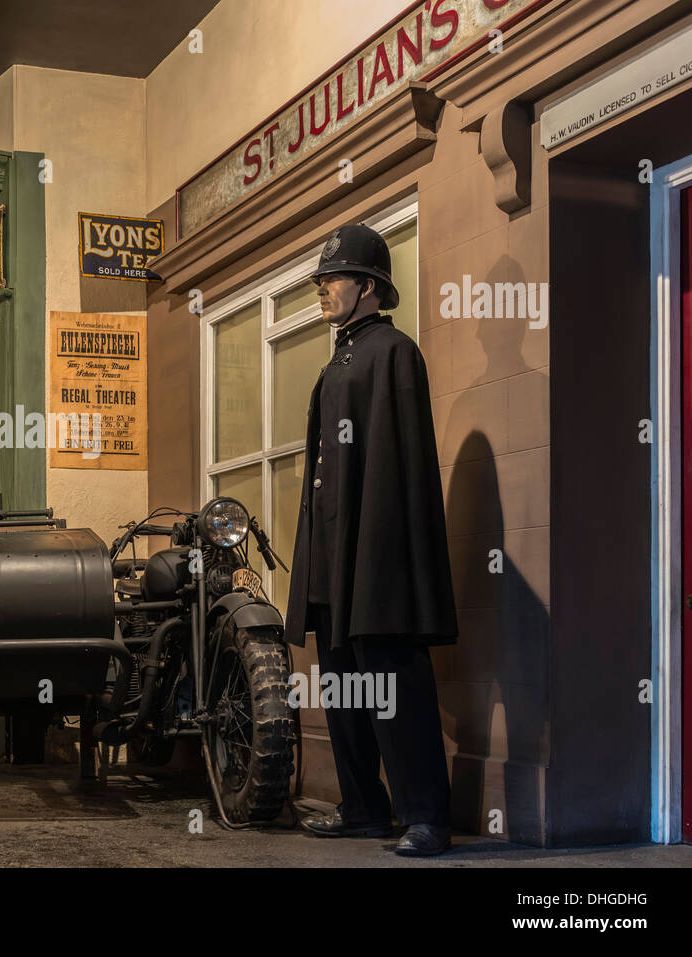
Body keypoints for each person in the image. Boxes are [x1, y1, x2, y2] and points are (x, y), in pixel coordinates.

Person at [285, 223, 458, 856]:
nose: (323, 289)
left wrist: (381, 561)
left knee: (394, 686)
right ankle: (363, 807)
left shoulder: (393, 352)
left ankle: (427, 817)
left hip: (377, 561)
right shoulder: (341, 360)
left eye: (333, 279)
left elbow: (400, 467)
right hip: (335, 558)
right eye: (323, 280)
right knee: (341, 684)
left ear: (368, 286)